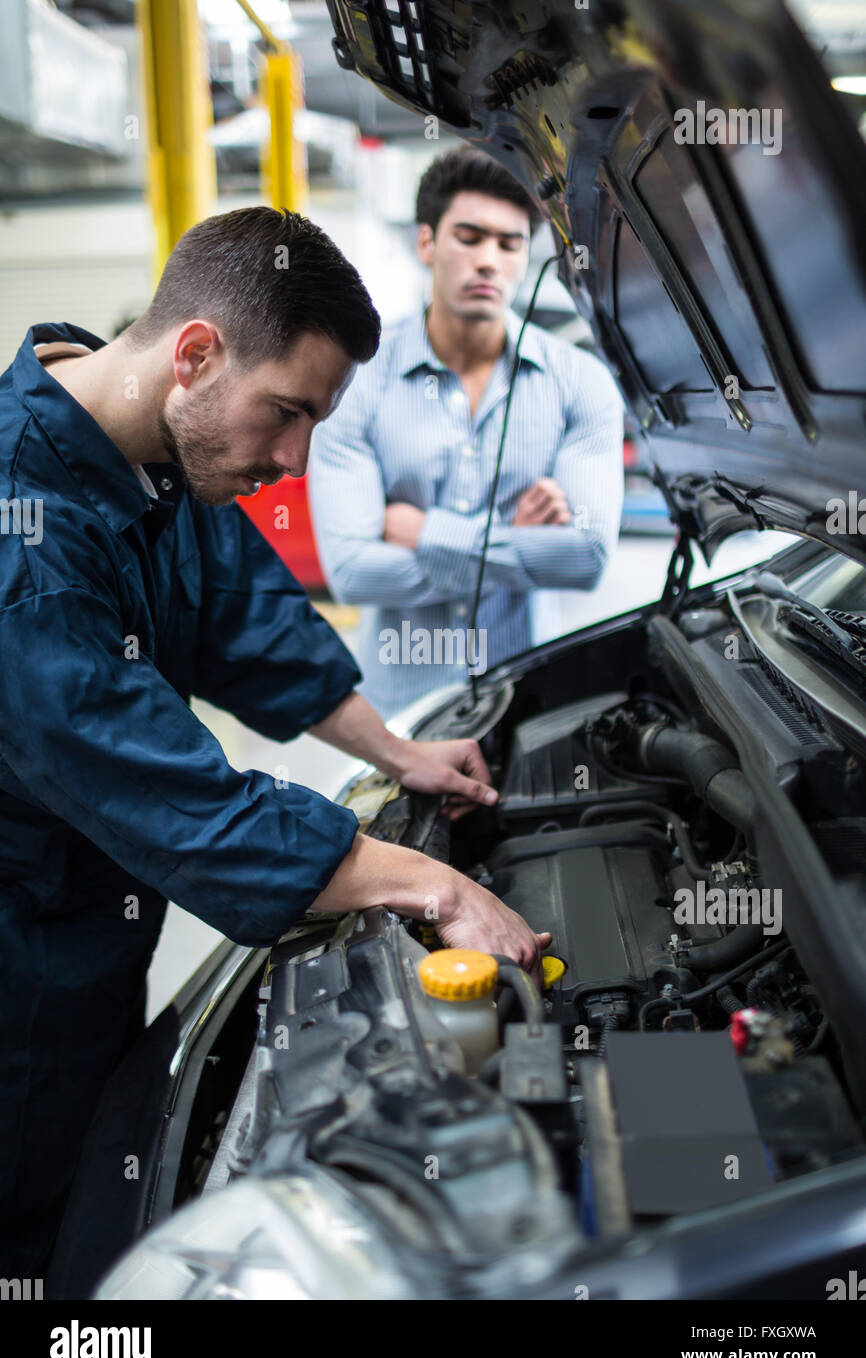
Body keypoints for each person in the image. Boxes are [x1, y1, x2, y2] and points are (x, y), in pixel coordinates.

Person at [0, 206, 549, 1277]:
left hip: (82, 932)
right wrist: (436, 889)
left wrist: (399, 755)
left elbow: (247, 618)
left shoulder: (150, 447)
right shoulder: (27, 544)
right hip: (17, 962)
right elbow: (183, 803)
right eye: (286, 414)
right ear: (196, 353)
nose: (292, 460)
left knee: (79, 1192)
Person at [308, 145, 624, 719]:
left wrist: (424, 530)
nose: (490, 261)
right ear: (426, 242)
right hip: (401, 709)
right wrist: (516, 538)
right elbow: (353, 572)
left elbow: (587, 558)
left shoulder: (581, 382)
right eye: (470, 237)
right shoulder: (358, 382)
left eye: (511, 244)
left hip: (526, 700)